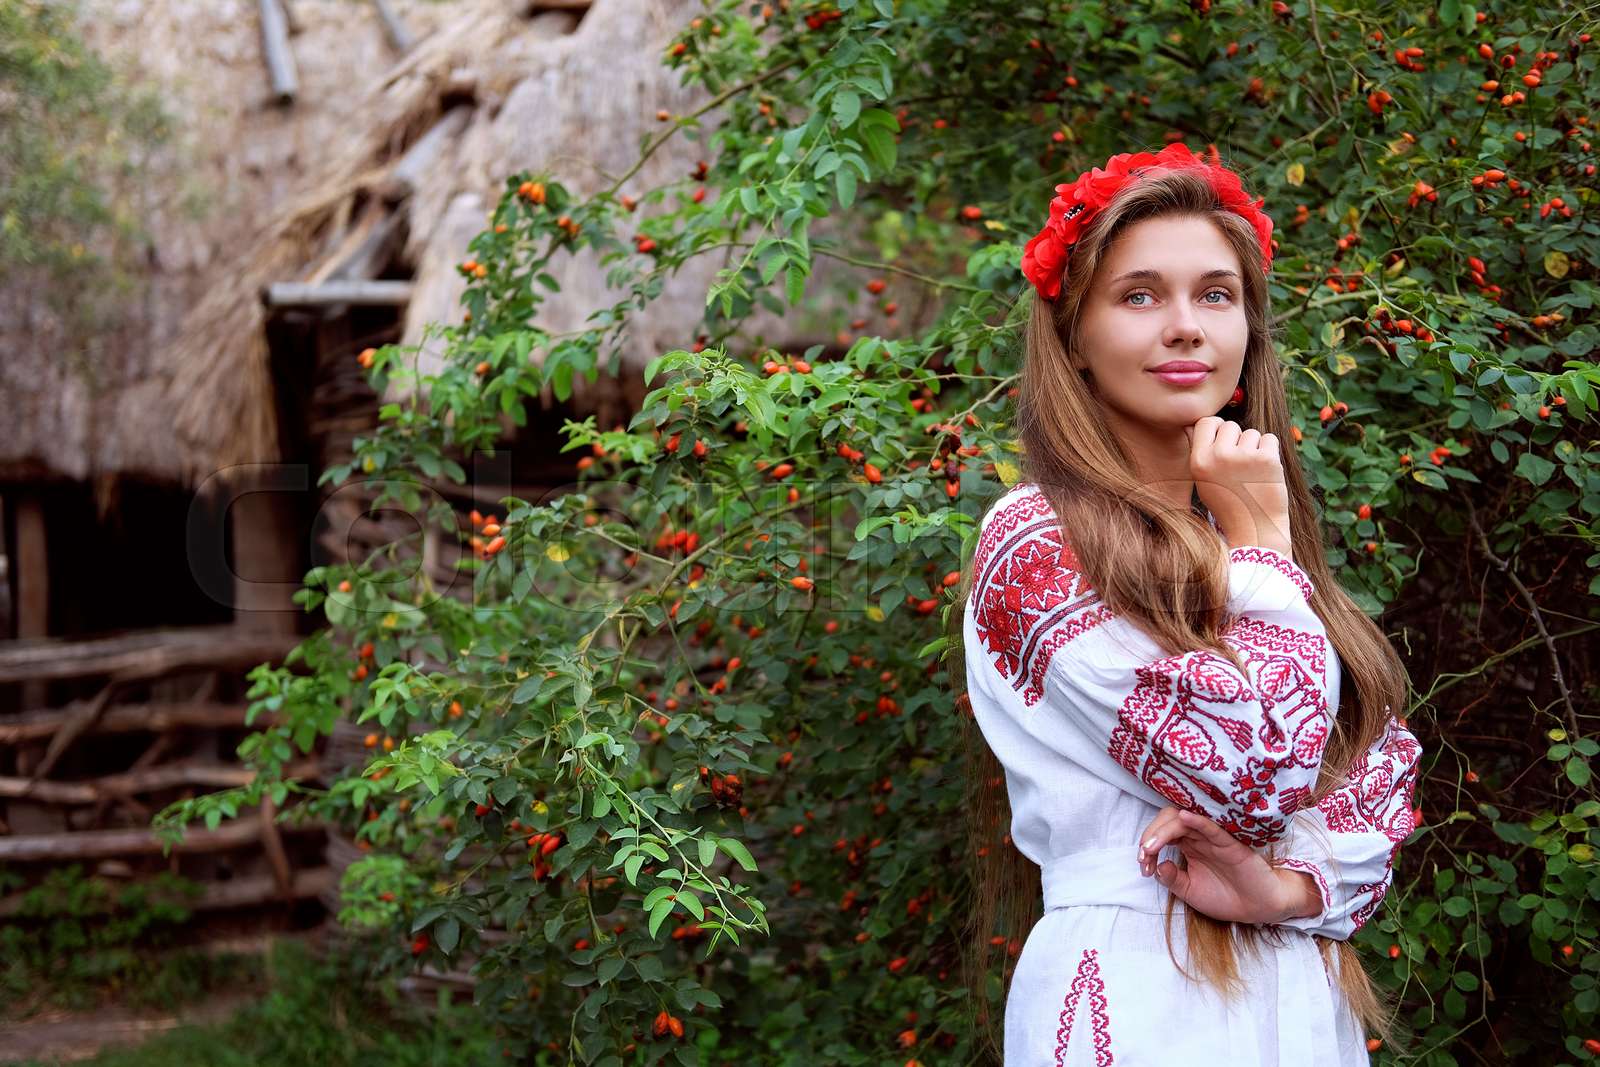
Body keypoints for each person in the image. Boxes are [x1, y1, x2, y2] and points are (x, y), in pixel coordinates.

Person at [955, 143, 1425, 1065]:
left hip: (1300, 991)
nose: (1185, 326)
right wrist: (1262, 551)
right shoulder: (1035, 542)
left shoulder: (1257, 535)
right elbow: (1249, 774)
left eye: (1216, 294)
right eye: (1139, 296)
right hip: (1133, 988)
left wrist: (1282, 891)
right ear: (1074, 338)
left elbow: (1382, 775)